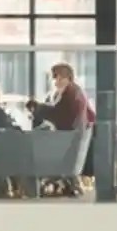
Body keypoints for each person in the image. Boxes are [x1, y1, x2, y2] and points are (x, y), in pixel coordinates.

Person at [26, 62, 90, 196]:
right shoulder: (75, 92)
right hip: (71, 139)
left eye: (58, 78)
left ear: (67, 77)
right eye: (55, 78)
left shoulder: (70, 94)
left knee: (31, 148)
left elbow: (59, 115)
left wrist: (39, 109)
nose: (56, 82)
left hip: (65, 141)